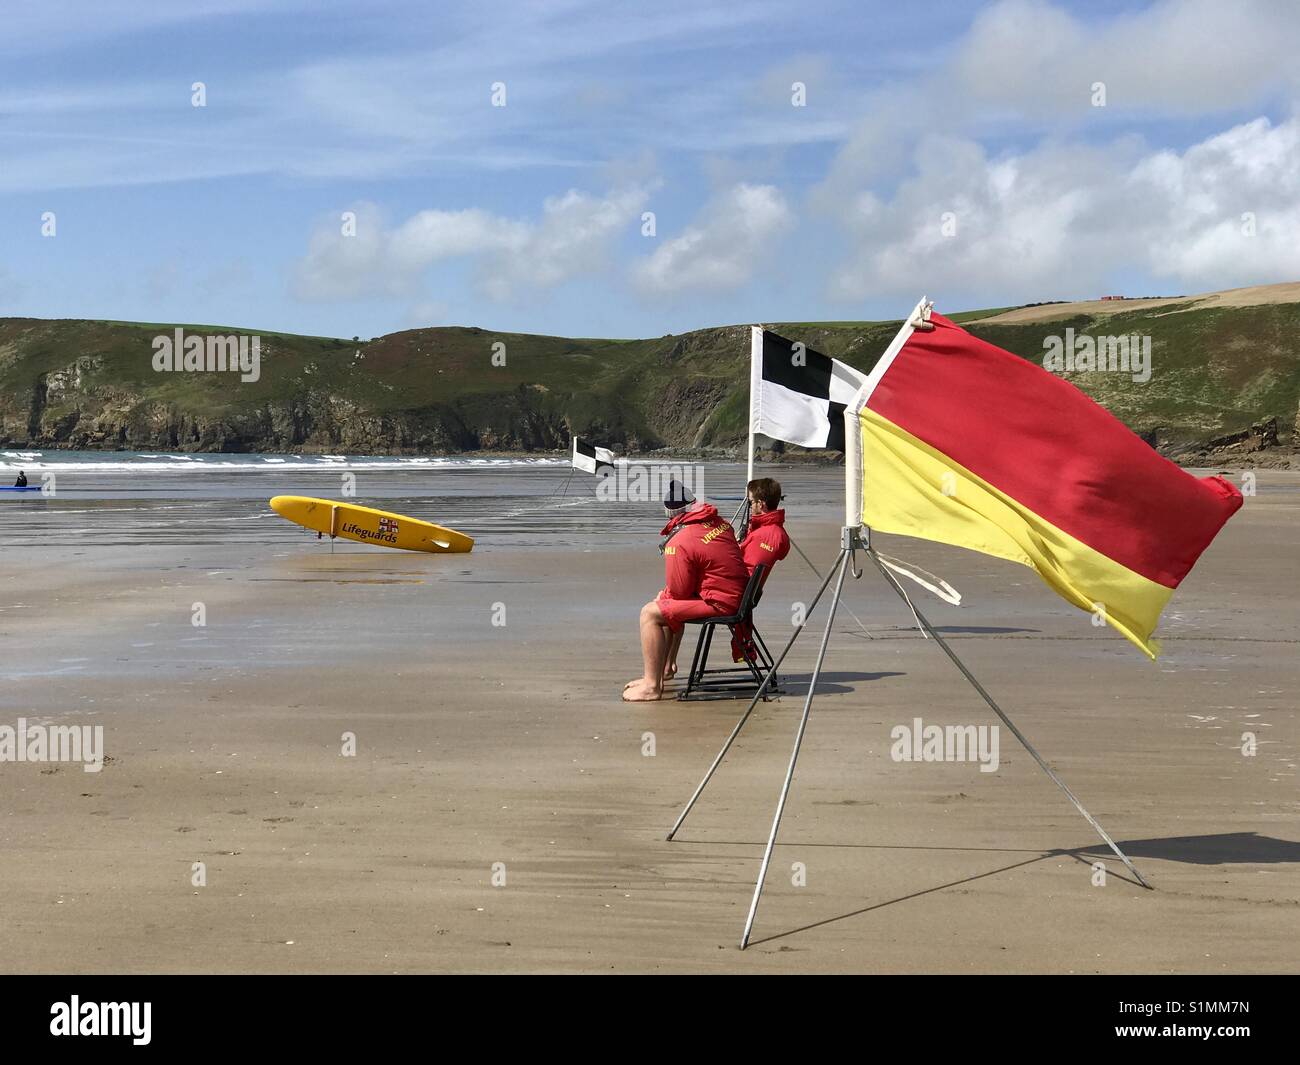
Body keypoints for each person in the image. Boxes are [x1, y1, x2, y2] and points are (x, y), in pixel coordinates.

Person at [622, 480, 748, 702]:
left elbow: (679, 591)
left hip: (721, 602)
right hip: (736, 595)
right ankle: (665, 668)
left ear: (670, 513)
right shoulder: (720, 523)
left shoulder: (680, 541)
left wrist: (664, 596)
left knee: (650, 613)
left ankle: (652, 686)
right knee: (665, 605)